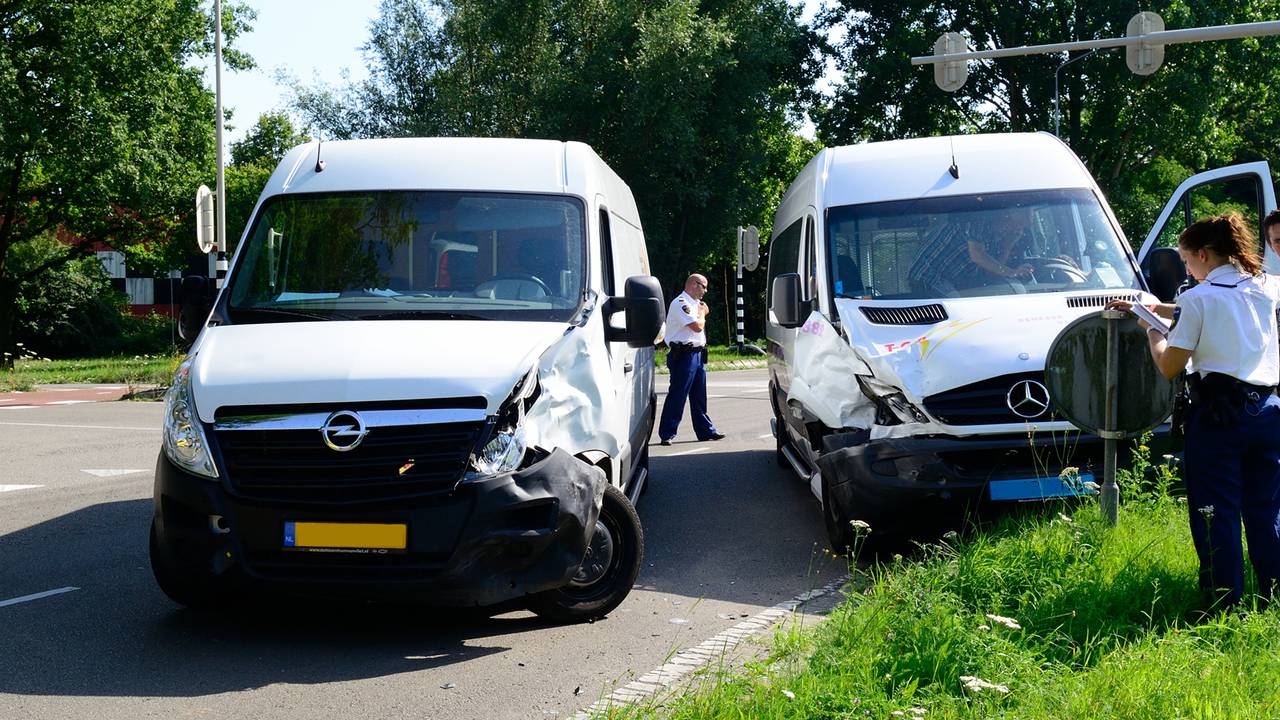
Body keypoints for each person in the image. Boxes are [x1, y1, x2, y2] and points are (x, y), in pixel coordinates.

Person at [1115, 212, 1280, 609]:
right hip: (1269, 411)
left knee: (1215, 511)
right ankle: (1273, 595)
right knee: (1266, 509)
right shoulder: (1266, 287)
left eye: (1188, 262)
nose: (1188, 269)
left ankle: (1225, 602)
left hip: (1219, 414)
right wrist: (1161, 307)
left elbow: (1170, 365)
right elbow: (1214, 306)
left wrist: (1153, 330)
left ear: (1203, 255)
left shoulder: (1198, 298)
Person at [657, 274, 724, 446]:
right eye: (704, 286)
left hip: (698, 354)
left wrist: (700, 311)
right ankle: (667, 433)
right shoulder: (681, 303)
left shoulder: (695, 304)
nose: (705, 291)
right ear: (694, 284)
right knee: (678, 394)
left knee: (699, 396)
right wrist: (703, 313)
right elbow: (697, 326)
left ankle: (705, 430)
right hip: (684, 354)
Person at [908, 206, 1035, 294]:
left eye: (1022, 228)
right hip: (928, 275)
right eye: (1018, 225)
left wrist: (1008, 245)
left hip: (949, 281)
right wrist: (1012, 272)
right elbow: (977, 255)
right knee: (957, 311)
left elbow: (992, 273)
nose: (1019, 231)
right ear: (1006, 216)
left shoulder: (996, 239)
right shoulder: (978, 222)